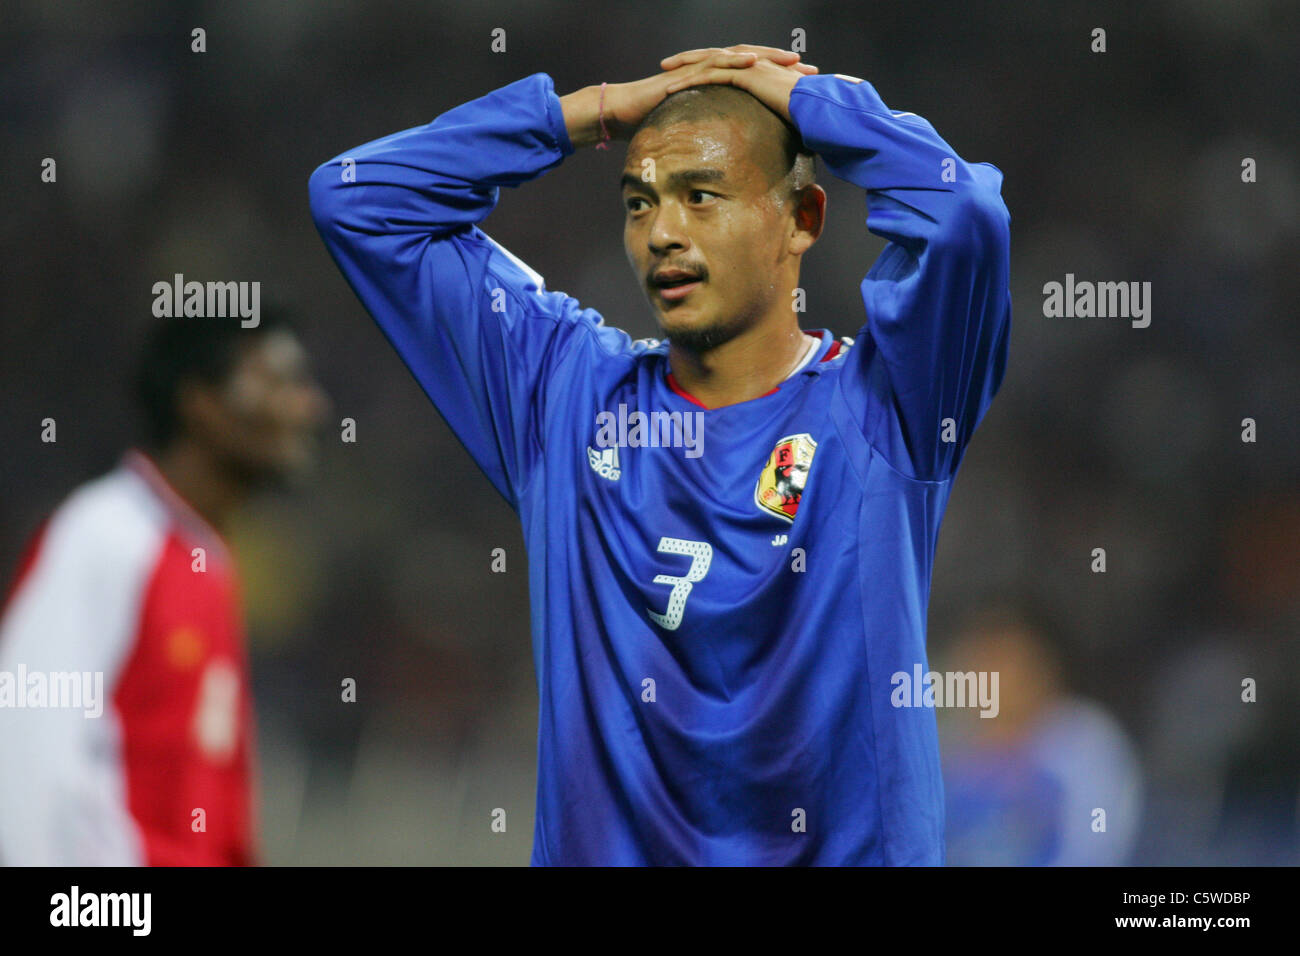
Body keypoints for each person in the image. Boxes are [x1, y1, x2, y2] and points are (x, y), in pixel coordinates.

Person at [309, 44, 1011, 865]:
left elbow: (964, 214)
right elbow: (356, 199)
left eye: (700, 196)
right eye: (639, 203)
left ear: (802, 219)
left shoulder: (890, 406)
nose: (662, 234)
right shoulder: (565, 398)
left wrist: (821, 106)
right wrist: (595, 112)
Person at [0, 310, 328, 865]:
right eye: (280, 382)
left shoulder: (203, 559)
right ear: (200, 402)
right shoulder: (104, 538)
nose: (310, 406)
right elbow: (24, 760)